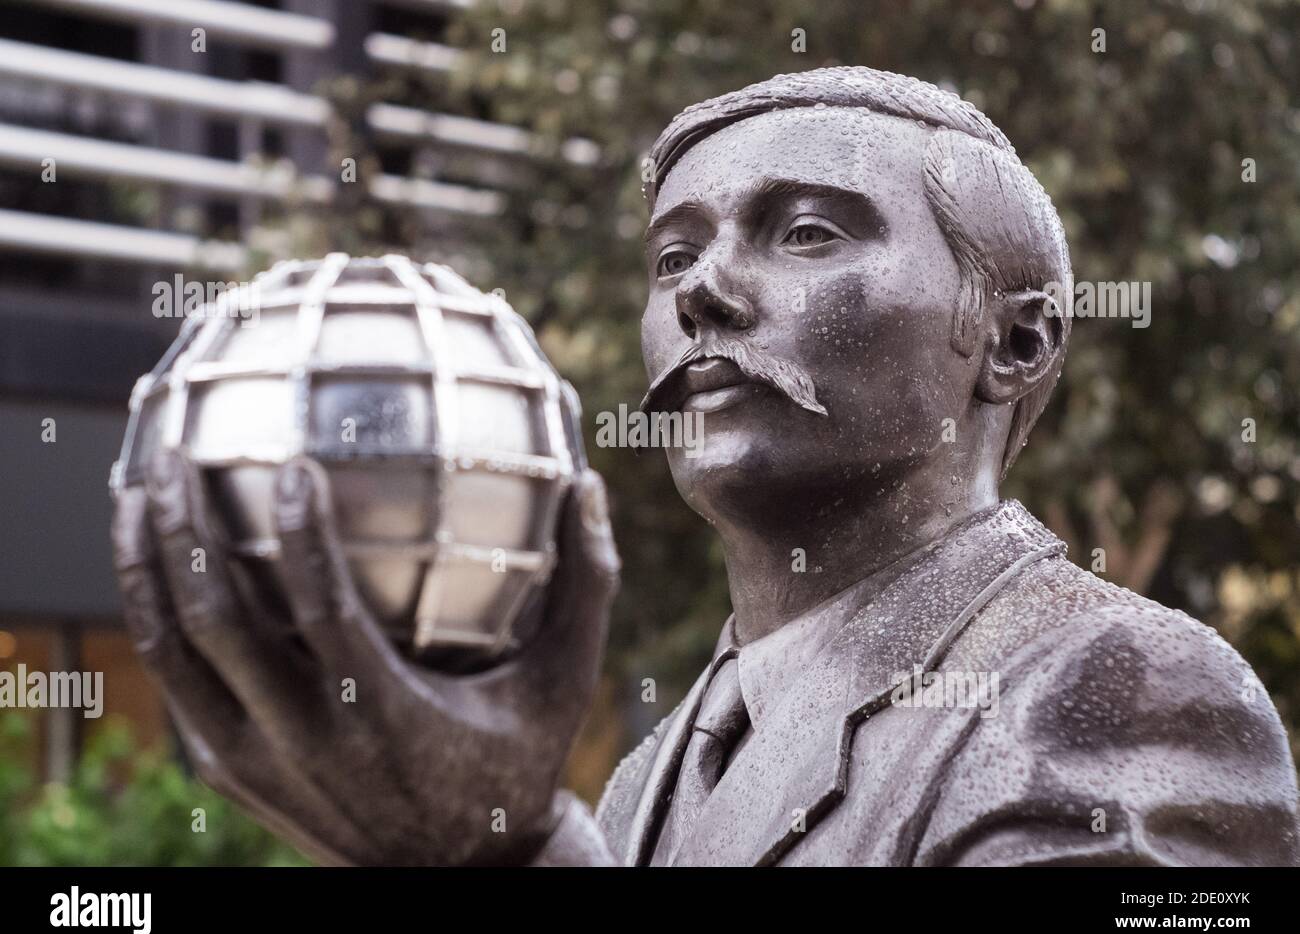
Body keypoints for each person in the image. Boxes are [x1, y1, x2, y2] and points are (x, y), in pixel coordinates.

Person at [111, 67, 1299, 866]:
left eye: (806, 232)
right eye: (672, 252)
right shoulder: (639, 784)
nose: (701, 290)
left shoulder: (1132, 694)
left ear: (1015, 338)